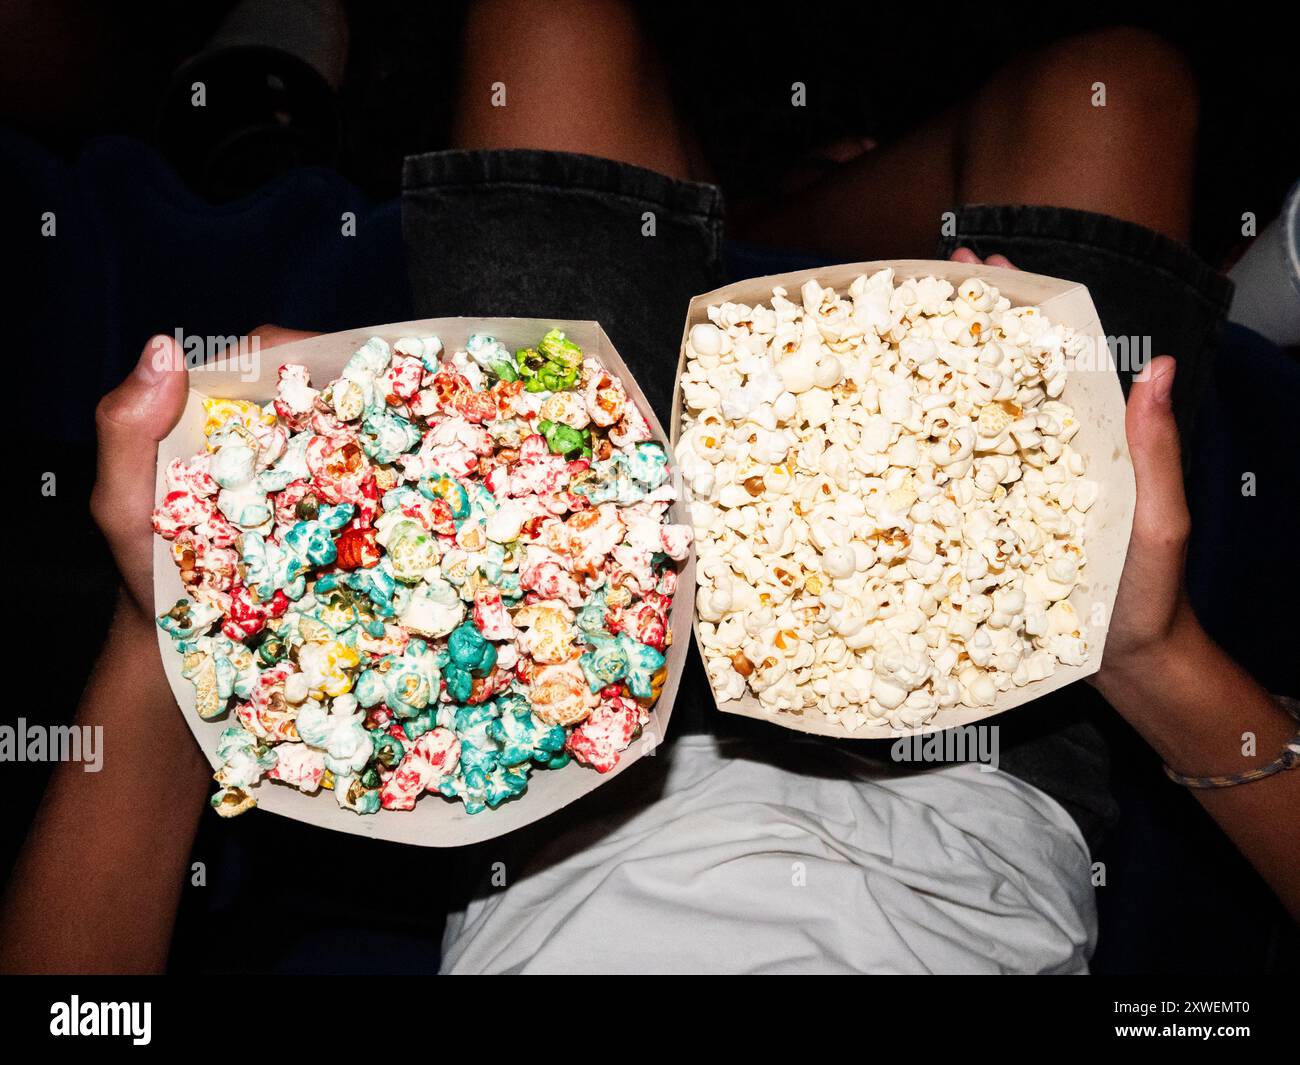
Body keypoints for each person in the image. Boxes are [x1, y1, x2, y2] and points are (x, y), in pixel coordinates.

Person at [1, 1, 1295, 973]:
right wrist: (1147, 655)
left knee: (550, 24)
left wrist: (174, 612)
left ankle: (742, 225)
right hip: (985, 758)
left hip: (554, 749)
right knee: (1114, 87)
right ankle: (796, 219)